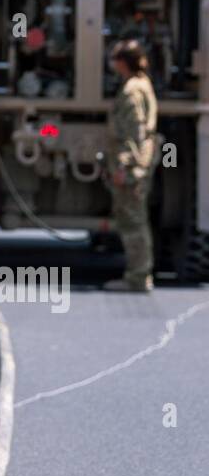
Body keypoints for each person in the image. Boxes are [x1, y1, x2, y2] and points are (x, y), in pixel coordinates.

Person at [104, 39, 158, 293]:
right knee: (134, 217)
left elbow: (133, 132)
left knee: (133, 219)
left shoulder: (132, 91)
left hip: (133, 164)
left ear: (123, 62)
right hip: (139, 161)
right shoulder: (140, 84)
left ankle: (138, 277)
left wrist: (124, 166)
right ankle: (139, 274)